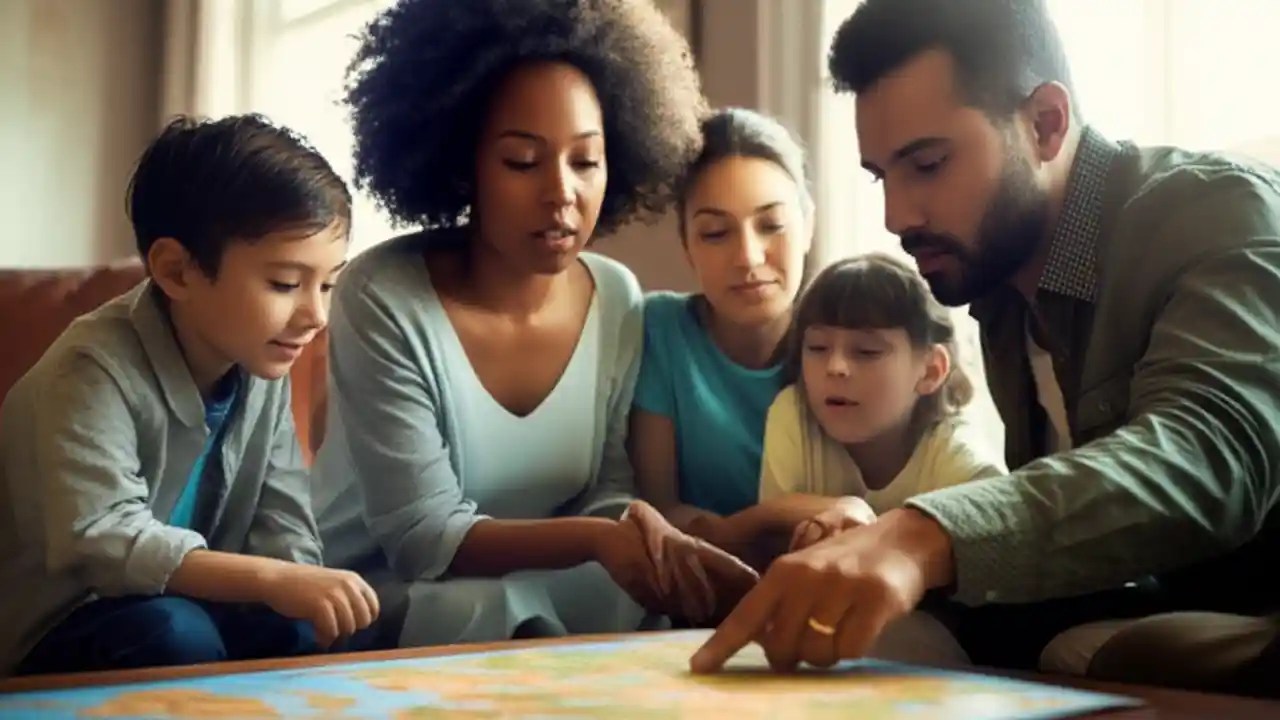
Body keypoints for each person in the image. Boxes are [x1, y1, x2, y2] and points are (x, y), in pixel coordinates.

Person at [691, 0, 1280, 696]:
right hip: (1158, 604)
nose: (896, 217)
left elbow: (1209, 454)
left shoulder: (1217, 210)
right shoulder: (1000, 291)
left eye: (930, 164)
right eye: (883, 176)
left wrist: (921, 535)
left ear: (1045, 124)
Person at [310, 0, 756, 650]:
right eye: (523, 162)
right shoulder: (381, 295)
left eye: (586, 161)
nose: (561, 192)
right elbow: (422, 537)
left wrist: (638, 532)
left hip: (536, 580)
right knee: (492, 606)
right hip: (374, 595)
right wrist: (601, 541)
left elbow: (606, 488)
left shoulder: (616, 296)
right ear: (464, 165)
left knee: (647, 598)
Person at [0, 115, 377, 677]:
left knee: (322, 626)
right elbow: (102, 539)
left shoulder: (260, 360)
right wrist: (272, 580)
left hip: (199, 611)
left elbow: (285, 522)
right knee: (175, 633)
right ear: (176, 271)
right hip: (63, 624)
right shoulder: (90, 368)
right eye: (284, 284)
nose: (315, 316)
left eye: (326, 283)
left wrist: (307, 591)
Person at [628, 107, 813, 567]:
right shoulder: (660, 331)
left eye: (771, 225)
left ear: (808, 224)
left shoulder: (853, 339)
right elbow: (660, 515)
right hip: (693, 598)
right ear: (687, 245)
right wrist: (779, 518)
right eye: (715, 233)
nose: (748, 257)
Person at [755, 253, 1005, 552]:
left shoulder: (960, 460)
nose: (835, 366)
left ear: (930, 370)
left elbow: (999, 543)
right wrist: (838, 507)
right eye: (818, 347)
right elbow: (767, 535)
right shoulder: (793, 414)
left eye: (867, 351)